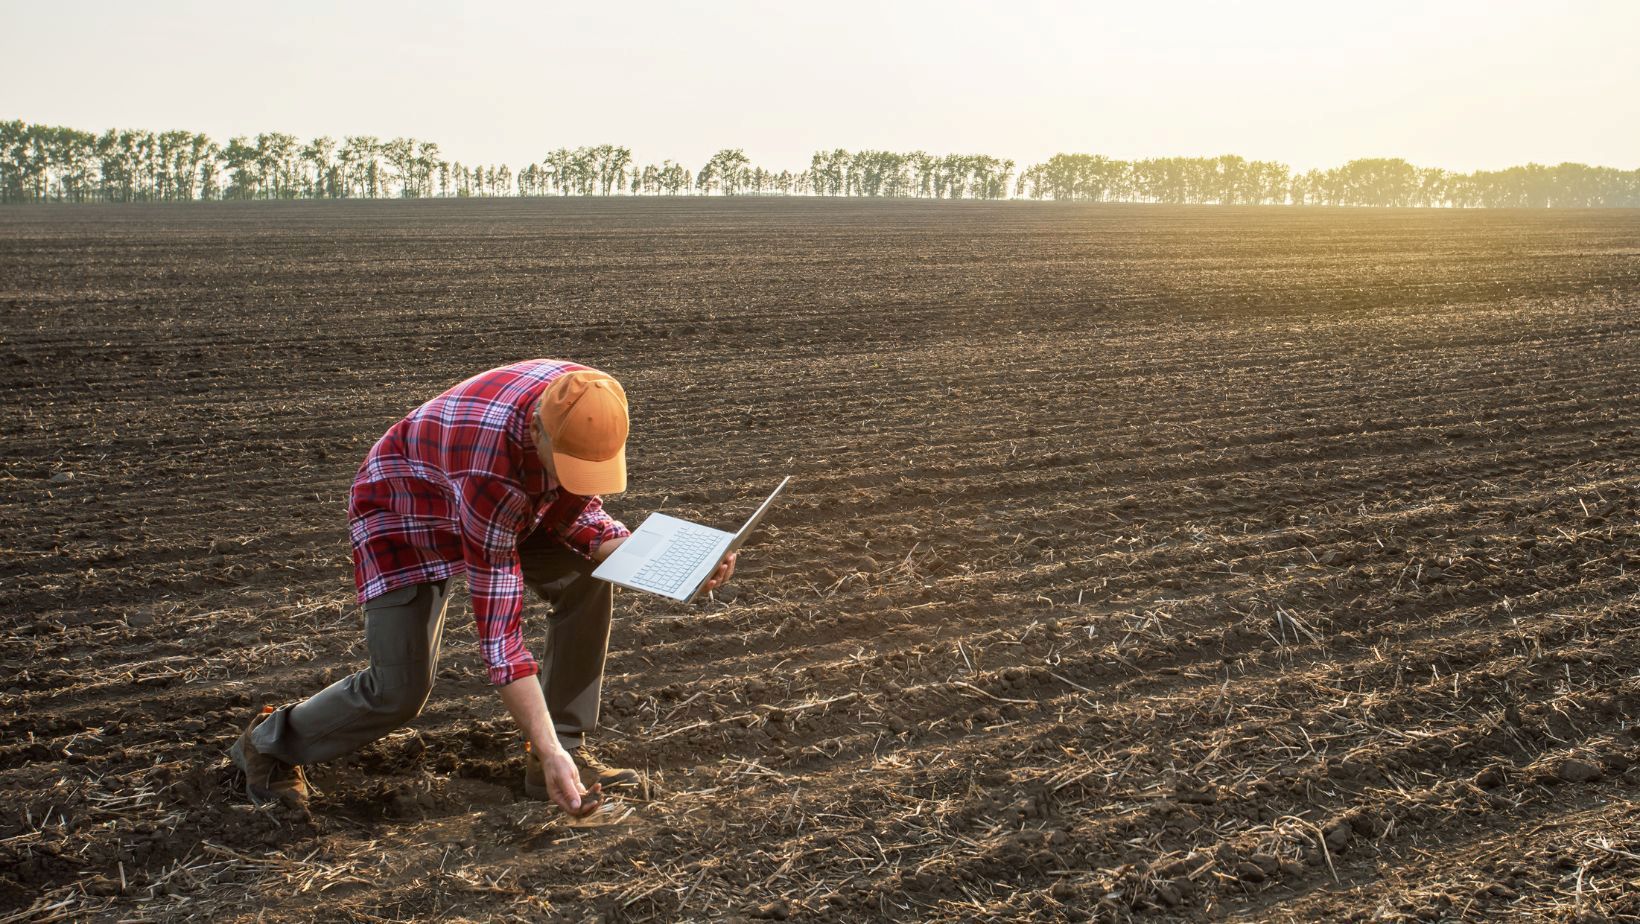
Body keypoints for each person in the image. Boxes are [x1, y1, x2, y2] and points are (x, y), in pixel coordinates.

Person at [228, 360, 735, 816]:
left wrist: (680, 567)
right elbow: (501, 642)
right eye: (568, 469)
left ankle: (558, 758)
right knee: (399, 690)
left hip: (500, 505)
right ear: (538, 432)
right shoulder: (490, 470)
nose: (580, 482)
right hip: (404, 516)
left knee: (587, 579)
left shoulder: (588, 401)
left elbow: (580, 517)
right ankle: (268, 744)